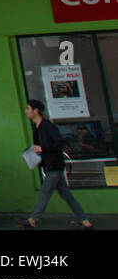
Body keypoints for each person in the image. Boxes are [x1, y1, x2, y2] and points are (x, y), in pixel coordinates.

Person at [20, 98, 93, 229]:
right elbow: (38, 147)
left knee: (44, 192)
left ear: (36, 111)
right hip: (49, 166)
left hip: (55, 166)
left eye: (27, 109)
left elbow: (59, 143)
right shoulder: (36, 128)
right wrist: (30, 156)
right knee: (67, 196)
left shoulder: (48, 126)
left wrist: (42, 149)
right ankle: (86, 222)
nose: (26, 111)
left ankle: (32, 220)